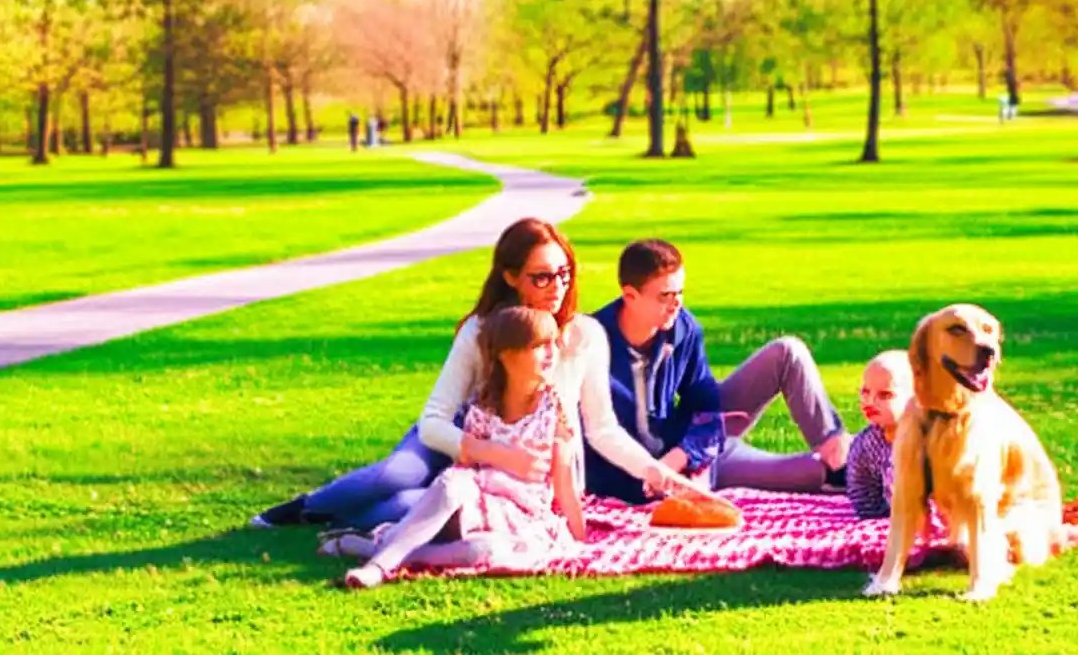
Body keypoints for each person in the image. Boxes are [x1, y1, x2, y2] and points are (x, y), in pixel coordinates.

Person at [250, 219, 694, 531]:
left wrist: (656, 472)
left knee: (408, 505)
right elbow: (434, 420)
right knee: (396, 477)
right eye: (541, 277)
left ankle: (345, 520)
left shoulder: (587, 336)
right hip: (458, 438)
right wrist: (490, 452)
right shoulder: (482, 331)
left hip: (523, 474)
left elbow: (602, 429)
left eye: (563, 273)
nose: (556, 287)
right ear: (511, 277)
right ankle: (304, 509)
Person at [332, 307, 585, 588]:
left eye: (554, 343)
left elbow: (564, 485)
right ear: (507, 354)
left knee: (486, 552)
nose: (552, 353)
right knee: (453, 484)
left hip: (520, 516)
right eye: (539, 345)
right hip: (474, 501)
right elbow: (468, 469)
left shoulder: (554, 411)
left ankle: (379, 550)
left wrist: (581, 539)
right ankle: (377, 568)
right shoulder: (485, 406)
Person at [585, 239, 853, 504]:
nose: (676, 304)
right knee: (813, 476)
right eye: (665, 295)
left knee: (788, 351)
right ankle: (843, 472)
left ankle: (839, 455)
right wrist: (658, 473)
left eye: (680, 293)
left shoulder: (683, 328)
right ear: (630, 295)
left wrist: (684, 454)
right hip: (642, 474)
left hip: (692, 449)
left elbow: (706, 404)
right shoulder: (590, 340)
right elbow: (590, 436)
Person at [846, 350, 913, 519]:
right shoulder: (866, 446)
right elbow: (862, 494)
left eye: (885, 395)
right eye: (865, 392)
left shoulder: (933, 438)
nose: (870, 401)